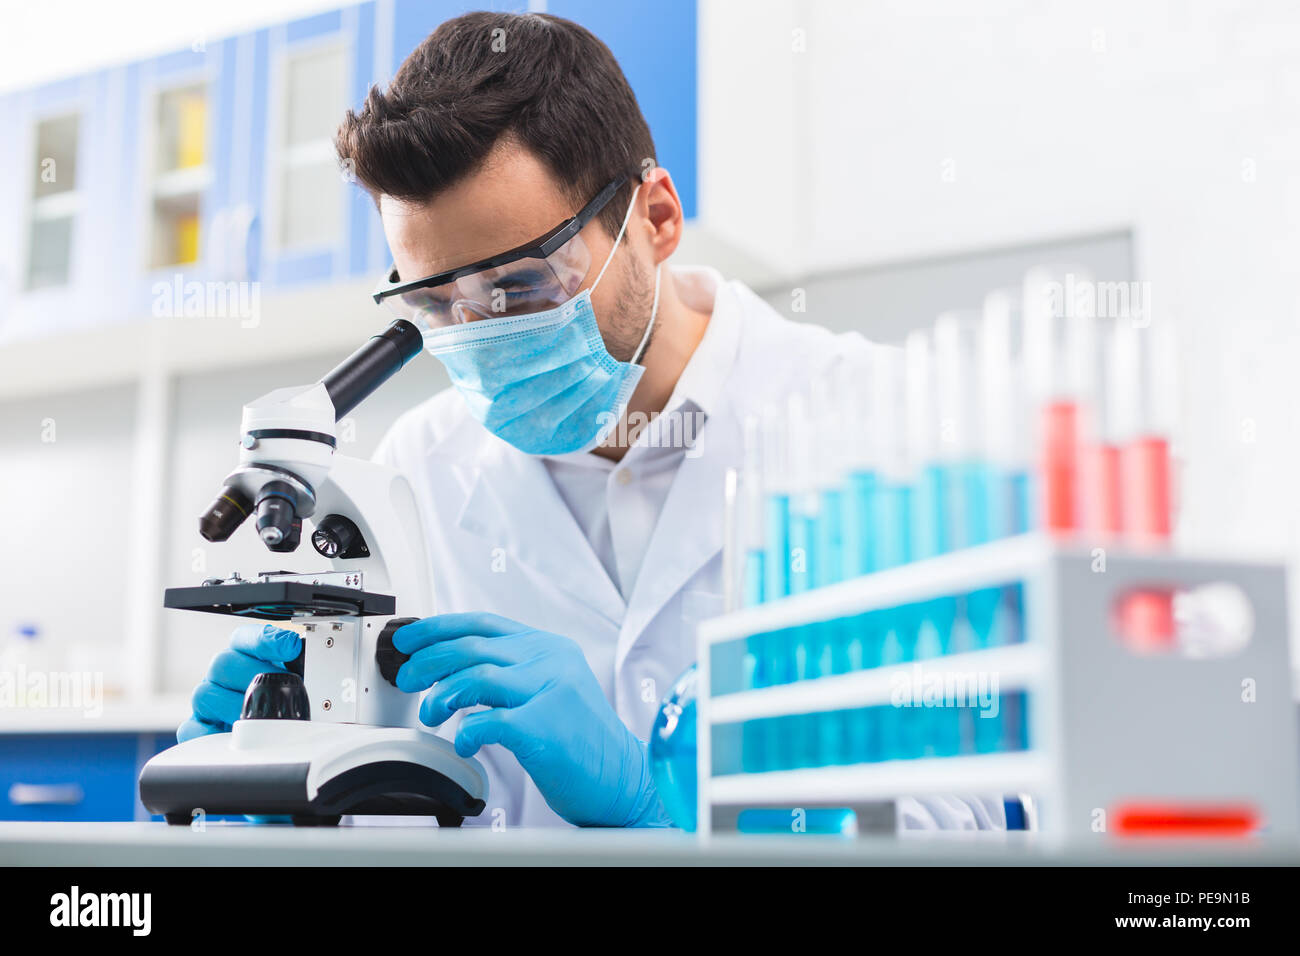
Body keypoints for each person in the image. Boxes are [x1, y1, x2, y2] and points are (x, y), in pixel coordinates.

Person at [180, 10, 1003, 831]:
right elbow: (415, 822)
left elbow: (962, 820)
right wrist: (291, 790)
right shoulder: (418, 472)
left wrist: (655, 821)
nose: (481, 340)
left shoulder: (868, 419)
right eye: (436, 302)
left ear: (655, 218)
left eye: (521, 287)